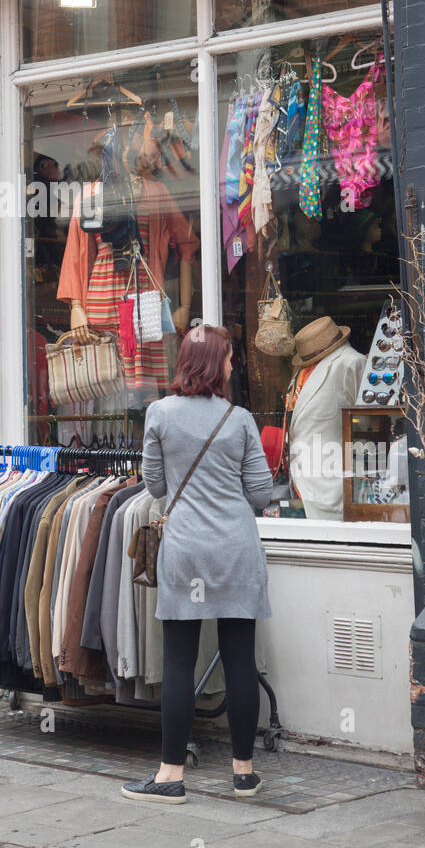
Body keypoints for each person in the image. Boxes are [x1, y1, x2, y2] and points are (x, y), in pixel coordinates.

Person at [121, 325, 273, 805]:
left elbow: (156, 486)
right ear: (214, 364)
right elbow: (261, 494)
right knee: (240, 659)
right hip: (235, 549)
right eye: (228, 357)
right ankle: (244, 774)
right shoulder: (241, 418)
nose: (233, 365)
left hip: (186, 550)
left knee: (179, 662)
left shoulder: (159, 414)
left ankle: (169, 776)